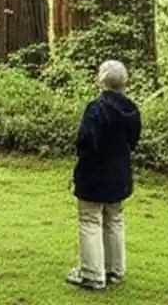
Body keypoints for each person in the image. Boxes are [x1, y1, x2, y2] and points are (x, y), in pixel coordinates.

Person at [66, 60, 142, 291]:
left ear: (102, 81)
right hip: (119, 174)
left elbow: (85, 141)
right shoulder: (132, 109)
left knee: (90, 221)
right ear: (124, 82)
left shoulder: (96, 108)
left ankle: (91, 274)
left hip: (95, 174)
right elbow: (133, 141)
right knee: (114, 220)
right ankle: (114, 271)